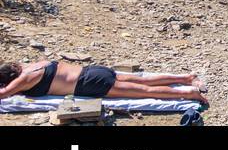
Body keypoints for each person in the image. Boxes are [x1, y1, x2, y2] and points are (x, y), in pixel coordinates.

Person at [0, 60, 207, 104]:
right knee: (140, 79)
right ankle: (186, 78)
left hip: (88, 83)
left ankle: (189, 93)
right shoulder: (34, 64)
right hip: (93, 71)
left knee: (143, 91)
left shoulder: (23, 79)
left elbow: (4, 94)